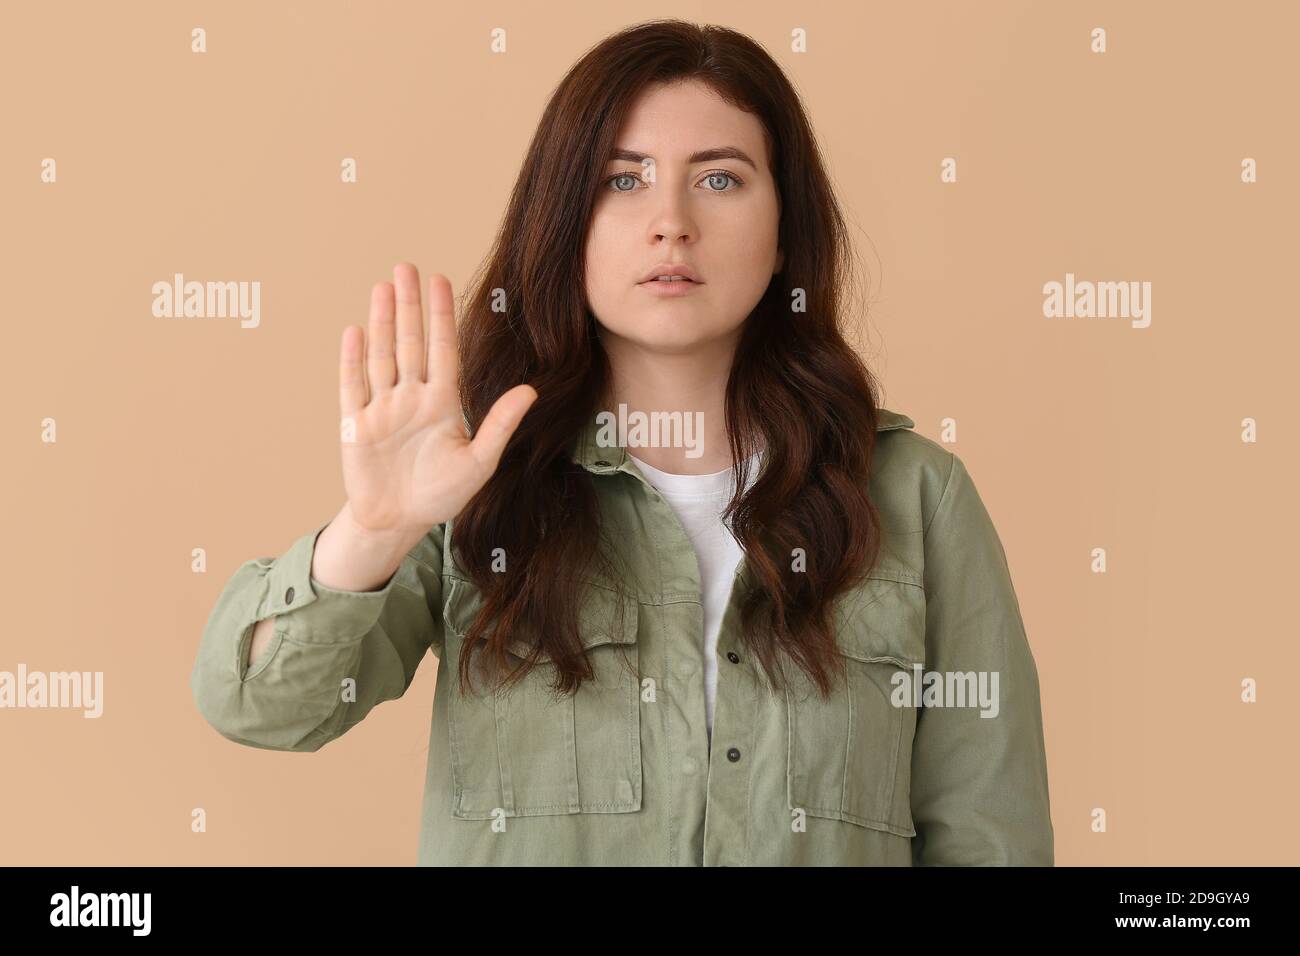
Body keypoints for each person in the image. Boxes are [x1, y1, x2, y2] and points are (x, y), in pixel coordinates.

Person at [190, 18, 1053, 866]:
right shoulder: (474, 483)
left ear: (787, 230)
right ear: (565, 222)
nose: (670, 221)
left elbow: (992, 840)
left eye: (719, 181)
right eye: (622, 180)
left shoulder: (917, 498)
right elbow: (262, 707)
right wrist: (374, 529)